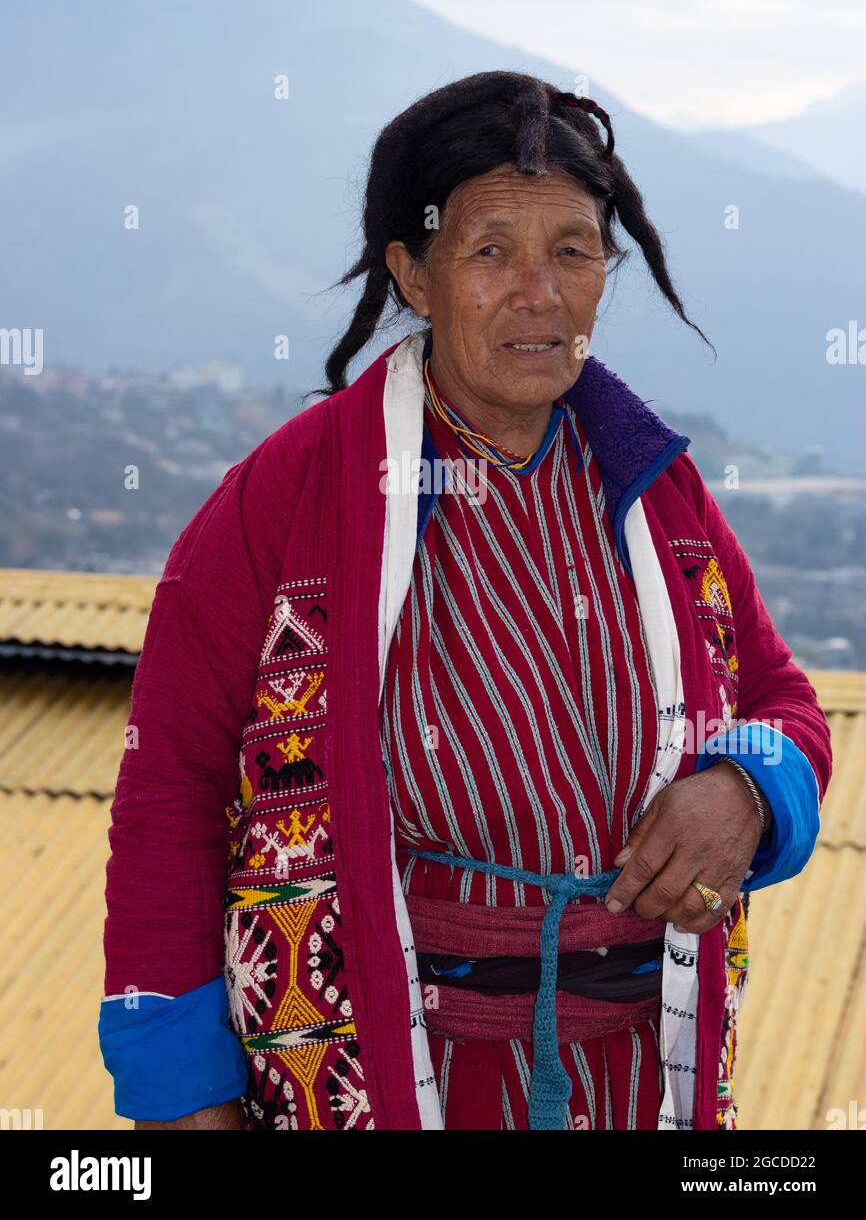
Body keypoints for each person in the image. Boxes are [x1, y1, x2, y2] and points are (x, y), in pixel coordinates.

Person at [99, 70, 831, 1130]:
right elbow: (165, 787)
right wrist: (180, 1098)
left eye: (573, 250)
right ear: (413, 272)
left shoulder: (653, 487)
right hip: (388, 1069)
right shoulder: (286, 502)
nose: (539, 292)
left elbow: (782, 704)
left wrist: (746, 789)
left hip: (636, 1070)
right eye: (489, 251)